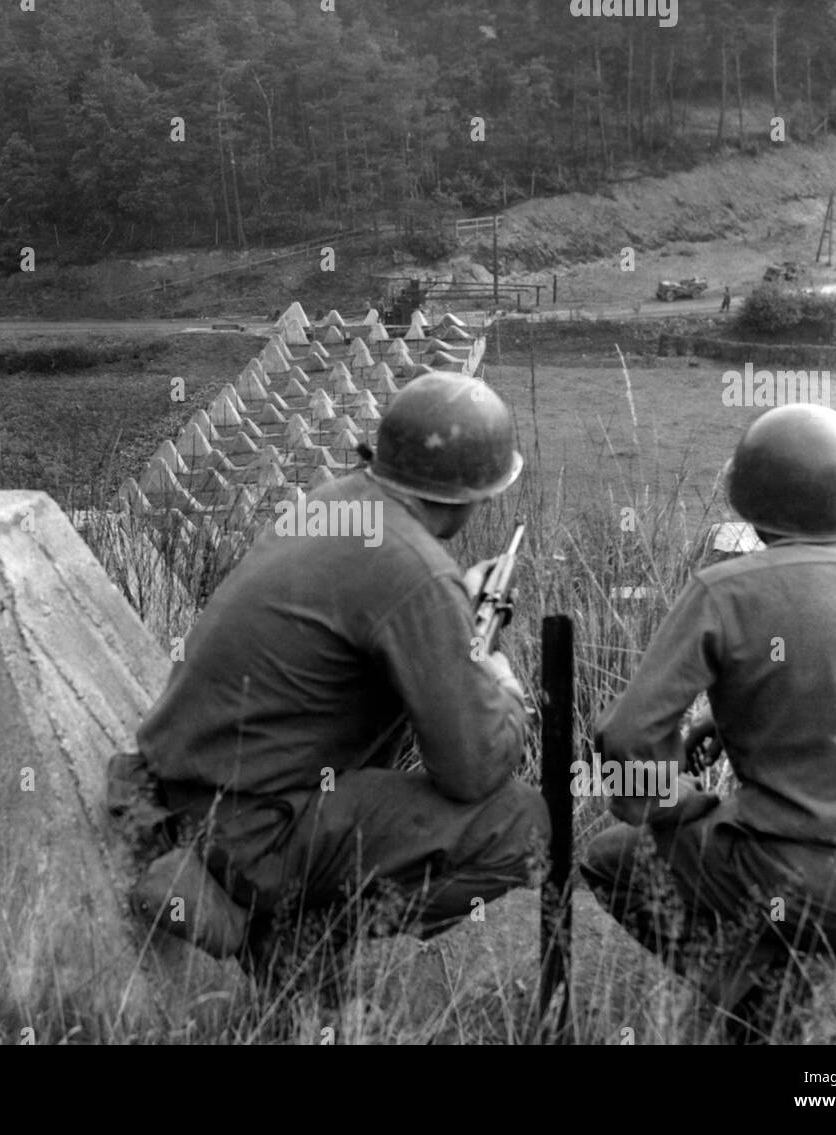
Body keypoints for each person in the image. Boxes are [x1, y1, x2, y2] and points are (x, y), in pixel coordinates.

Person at [115, 373, 548, 972]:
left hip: (188, 792)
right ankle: (297, 928)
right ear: (470, 494)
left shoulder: (334, 505)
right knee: (525, 825)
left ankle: (285, 933)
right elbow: (471, 769)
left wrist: (456, 616)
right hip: (252, 830)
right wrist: (503, 686)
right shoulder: (415, 570)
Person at [579, 404, 836, 1042]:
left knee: (610, 860)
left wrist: (676, 807)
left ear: (750, 500)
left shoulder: (725, 590)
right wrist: (726, 723)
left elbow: (626, 737)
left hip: (800, 875)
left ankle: (772, 1009)